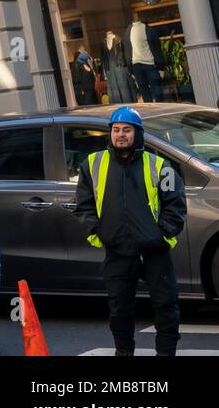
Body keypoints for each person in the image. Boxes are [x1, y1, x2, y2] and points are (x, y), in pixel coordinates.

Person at [74, 106, 186, 356]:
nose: (121, 135)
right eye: (116, 130)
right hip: (118, 252)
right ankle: (124, 353)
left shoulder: (160, 165)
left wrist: (162, 236)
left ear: (138, 133)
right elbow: (83, 205)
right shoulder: (92, 164)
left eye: (127, 130)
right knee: (119, 310)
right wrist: (99, 232)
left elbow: (176, 204)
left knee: (166, 307)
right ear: (110, 133)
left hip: (154, 252)